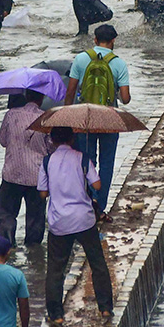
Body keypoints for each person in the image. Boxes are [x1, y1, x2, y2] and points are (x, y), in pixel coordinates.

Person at [39, 126, 114, 325]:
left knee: (55, 269)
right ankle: (105, 308)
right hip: (84, 220)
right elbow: (97, 185)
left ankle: (56, 315)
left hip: (59, 223)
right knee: (97, 264)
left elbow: (43, 193)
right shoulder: (82, 159)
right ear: (72, 138)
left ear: (53, 140)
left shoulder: (47, 161)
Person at [64, 24, 130, 212]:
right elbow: (125, 99)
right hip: (110, 118)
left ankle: (88, 202)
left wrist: (68, 115)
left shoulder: (81, 58)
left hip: (85, 117)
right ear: (113, 41)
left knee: (87, 160)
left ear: (94, 39)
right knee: (107, 163)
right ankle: (100, 207)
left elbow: (70, 91)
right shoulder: (119, 63)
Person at [0, 90, 52, 246]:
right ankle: (34, 253)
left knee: (6, 213)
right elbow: (51, 147)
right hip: (36, 177)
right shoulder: (45, 118)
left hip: (12, 174)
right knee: (36, 217)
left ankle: (7, 246)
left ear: (26, 96)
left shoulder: (11, 115)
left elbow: (2, 140)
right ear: (42, 99)